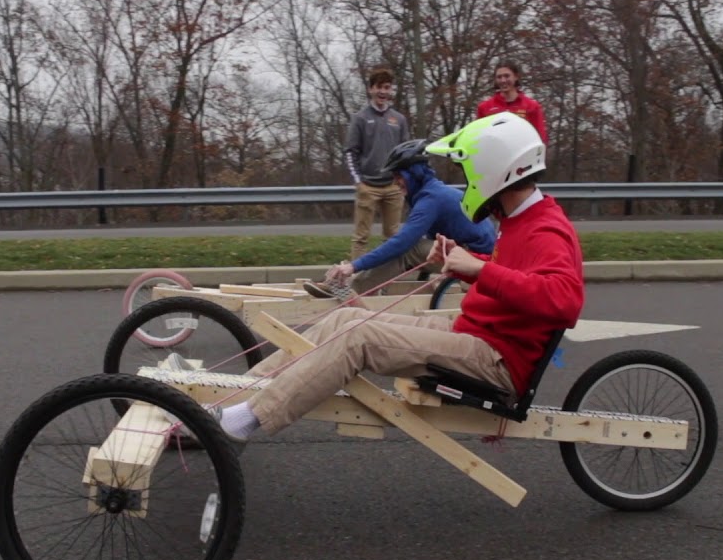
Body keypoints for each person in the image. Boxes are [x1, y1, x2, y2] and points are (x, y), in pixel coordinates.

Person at [213, 112, 585, 443]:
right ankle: (222, 397)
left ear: (498, 170)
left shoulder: (546, 228)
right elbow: (513, 283)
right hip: (473, 336)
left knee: (360, 337)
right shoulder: (518, 219)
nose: (470, 180)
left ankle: (246, 418)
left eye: (473, 171)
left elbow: (564, 301)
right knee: (345, 318)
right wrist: (469, 263)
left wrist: (480, 269)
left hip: (495, 358)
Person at [304, 138, 497, 300]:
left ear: (413, 174)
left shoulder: (431, 200)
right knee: (411, 246)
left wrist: (353, 266)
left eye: (398, 175)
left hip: (481, 260)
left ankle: (351, 290)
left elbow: (402, 244)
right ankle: (356, 286)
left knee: (408, 249)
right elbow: (434, 242)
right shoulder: (431, 193)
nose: (395, 182)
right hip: (477, 255)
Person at [344, 67, 411, 260]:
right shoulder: (360, 118)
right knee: (361, 237)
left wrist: (403, 181)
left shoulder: (399, 119)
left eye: (387, 88)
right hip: (368, 186)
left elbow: (405, 152)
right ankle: (356, 281)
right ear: (371, 89)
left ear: (391, 91)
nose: (383, 92)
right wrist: (359, 182)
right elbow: (350, 151)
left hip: (393, 187)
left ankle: (386, 280)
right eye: (379, 87)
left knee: (392, 238)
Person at [475, 61, 548, 145]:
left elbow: (540, 138)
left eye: (507, 76)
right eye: (499, 77)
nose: (503, 80)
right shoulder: (484, 107)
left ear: (516, 77)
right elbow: (479, 138)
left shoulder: (532, 106)